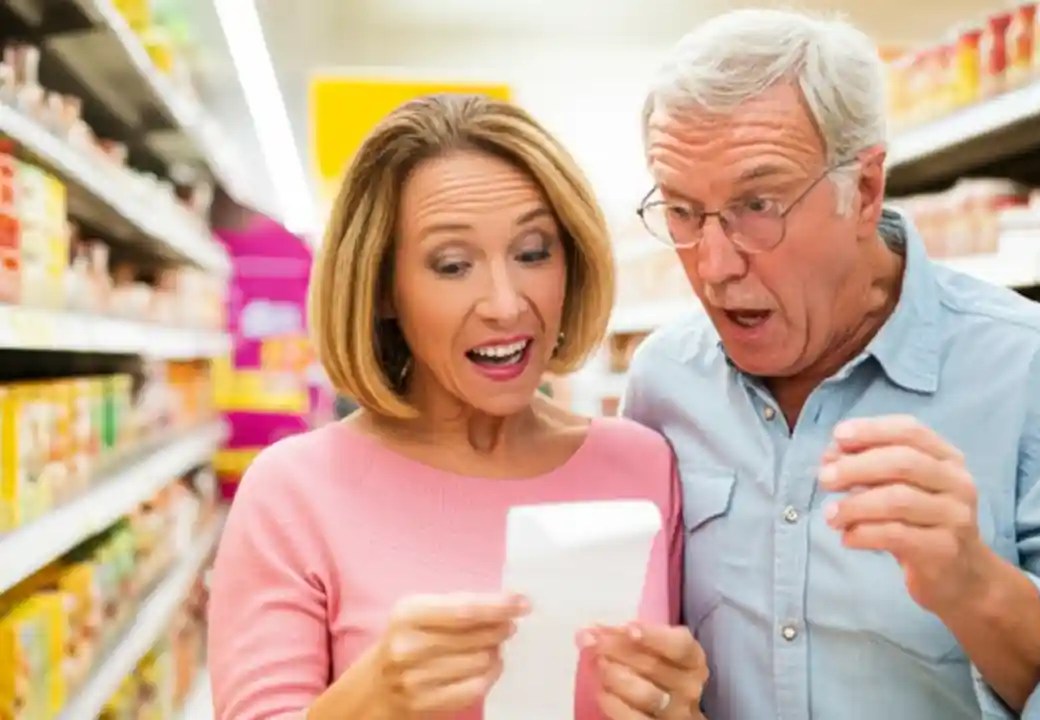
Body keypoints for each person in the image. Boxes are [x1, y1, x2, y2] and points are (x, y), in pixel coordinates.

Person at [622, 9, 1040, 719]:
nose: (714, 266)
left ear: (866, 189)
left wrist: (980, 590)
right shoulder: (664, 382)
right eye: (685, 212)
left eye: (759, 205)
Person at [208, 94, 709, 720]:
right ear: (384, 289)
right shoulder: (294, 493)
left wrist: (682, 711)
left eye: (533, 253)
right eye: (452, 265)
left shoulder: (643, 464)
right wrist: (368, 704)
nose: (505, 302)